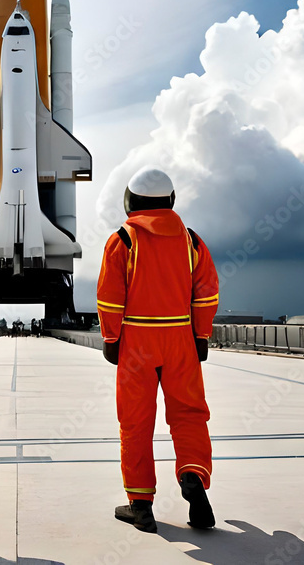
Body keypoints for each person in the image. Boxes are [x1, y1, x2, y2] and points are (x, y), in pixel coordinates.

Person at [97, 166, 220, 533]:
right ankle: (193, 475)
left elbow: (109, 298)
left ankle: (141, 505)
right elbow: (207, 292)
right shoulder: (191, 241)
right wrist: (201, 335)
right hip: (180, 338)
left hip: (137, 341)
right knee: (189, 414)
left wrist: (111, 339)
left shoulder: (123, 240)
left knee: (136, 421)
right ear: (171, 200)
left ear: (130, 201)